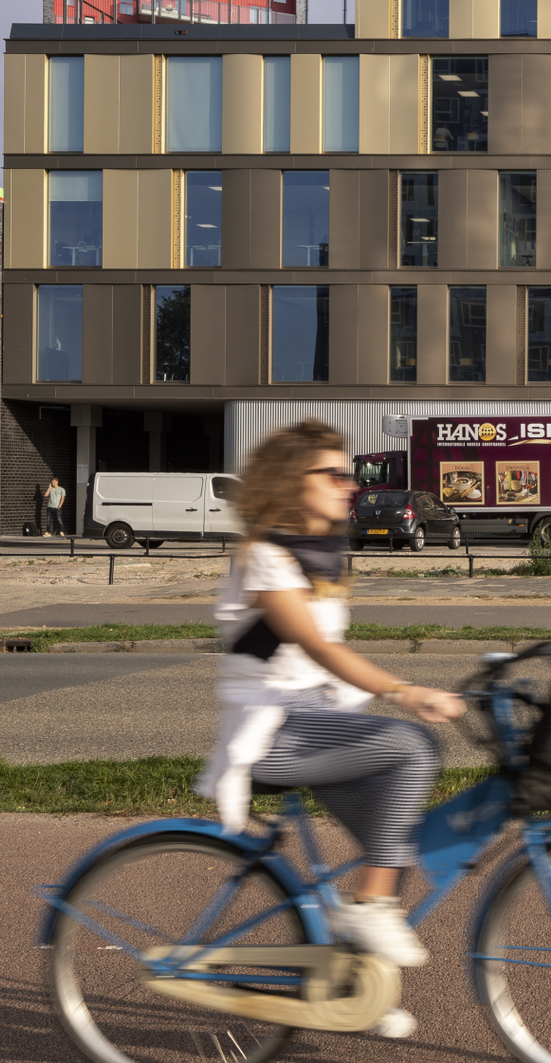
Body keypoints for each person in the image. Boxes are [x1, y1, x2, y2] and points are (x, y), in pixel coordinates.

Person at [195, 417, 465, 974]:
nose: (352, 485)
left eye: (349, 475)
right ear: (292, 482)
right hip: (276, 728)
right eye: (334, 475)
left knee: (395, 844)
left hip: (320, 717)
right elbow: (317, 646)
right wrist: (404, 692)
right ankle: (366, 911)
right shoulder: (267, 556)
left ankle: (351, 989)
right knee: (413, 748)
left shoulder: (318, 551)